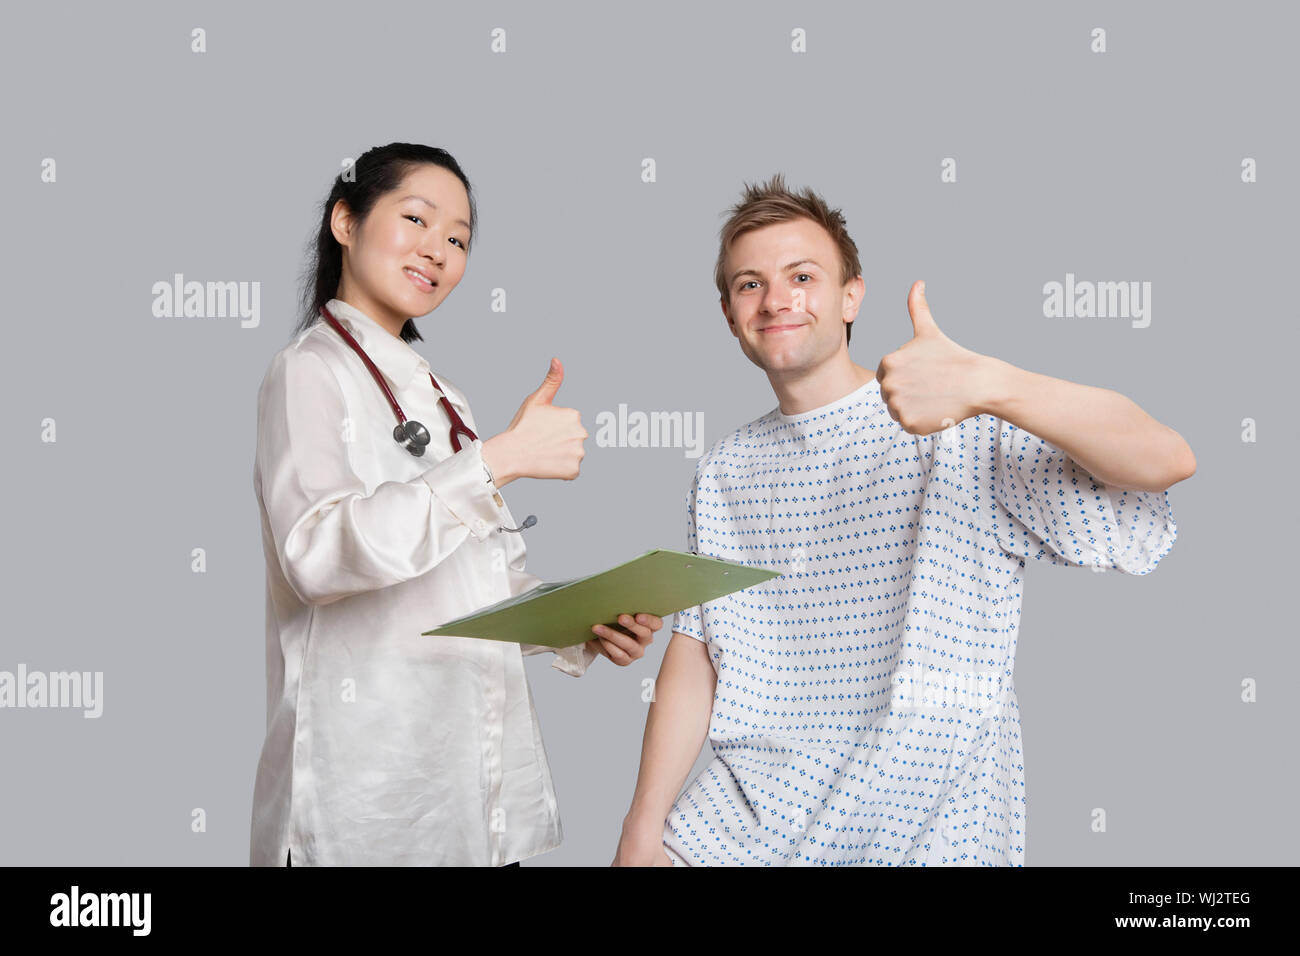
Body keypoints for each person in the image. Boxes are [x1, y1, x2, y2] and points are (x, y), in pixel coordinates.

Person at [611, 173, 1194, 866]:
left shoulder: (956, 422)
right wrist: (643, 827)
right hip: (748, 824)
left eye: (802, 275)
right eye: (748, 284)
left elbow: (1166, 458)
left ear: (852, 294)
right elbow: (699, 648)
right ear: (729, 311)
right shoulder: (724, 470)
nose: (775, 300)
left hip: (922, 826)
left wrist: (990, 385)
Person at [250, 142, 662, 867]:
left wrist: (586, 622)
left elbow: (476, 591)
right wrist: (501, 459)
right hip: (366, 811)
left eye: (458, 239)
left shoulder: (444, 399)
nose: (436, 250)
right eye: (416, 218)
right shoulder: (308, 372)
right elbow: (317, 555)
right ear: (346, 222)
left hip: (471, 803)